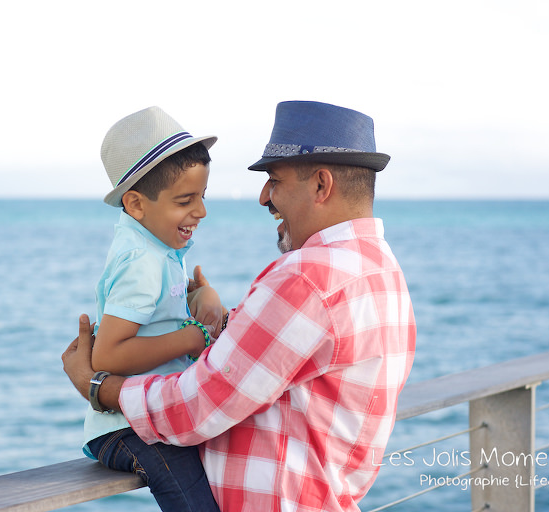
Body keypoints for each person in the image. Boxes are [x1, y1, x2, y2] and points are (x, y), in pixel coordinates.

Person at [64, 100, 417, 511]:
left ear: (321, 185)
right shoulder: (382, 271)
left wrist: (97, 386)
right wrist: (219, 319)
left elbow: (200, 404)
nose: (264, 196)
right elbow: (284, 362)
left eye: (275, 180)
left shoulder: (307, 278)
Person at [82, 106, 222, 511]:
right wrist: (194, 335)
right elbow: (107, 355)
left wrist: (198, 301)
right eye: (185, 200)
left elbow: (159, 316)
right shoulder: (142, 261)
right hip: (127, 427)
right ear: (137, 205)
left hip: (148, 416)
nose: (201, 211)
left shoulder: (157, 250)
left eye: (202, 196)